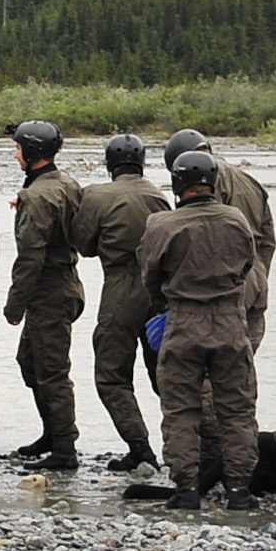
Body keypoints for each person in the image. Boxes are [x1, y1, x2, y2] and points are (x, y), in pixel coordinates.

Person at [138, 149, 263, 510]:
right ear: (213, 181)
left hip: (183, 321)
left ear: (178, 184)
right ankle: (239, 490)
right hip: (229, 321)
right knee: (237, 410)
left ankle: (186, 489)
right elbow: (247, 265)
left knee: (180, 410)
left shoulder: (162, 224)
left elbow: (150, 276)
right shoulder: (236, 219)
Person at [71, 133, 171, 472]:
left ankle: (140, 448)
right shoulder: (158, 195)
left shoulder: (97, 195)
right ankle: (197, 444)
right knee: (166, 375)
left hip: (120, 288)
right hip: (161, 292)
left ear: (109, 164)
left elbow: (83, 245)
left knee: (112, 375)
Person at [1, 119, 85, 471]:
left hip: (48, 290)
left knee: (51, 371)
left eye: (18, 148)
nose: (15, 153)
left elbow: (30, 256)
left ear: (31, 152)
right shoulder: (68, 184)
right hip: (66, 283)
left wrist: (14, 304)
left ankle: (65, 448)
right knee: (29, 361)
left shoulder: (36, 196)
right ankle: (52, 433)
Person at [165, 129, 275, 351]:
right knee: (241, 371)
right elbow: (269, 240)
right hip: (255, 278)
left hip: (224, 283)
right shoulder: (249, 180)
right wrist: (258, 275)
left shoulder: (206, 181)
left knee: (207, 367)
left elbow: (202, 235)